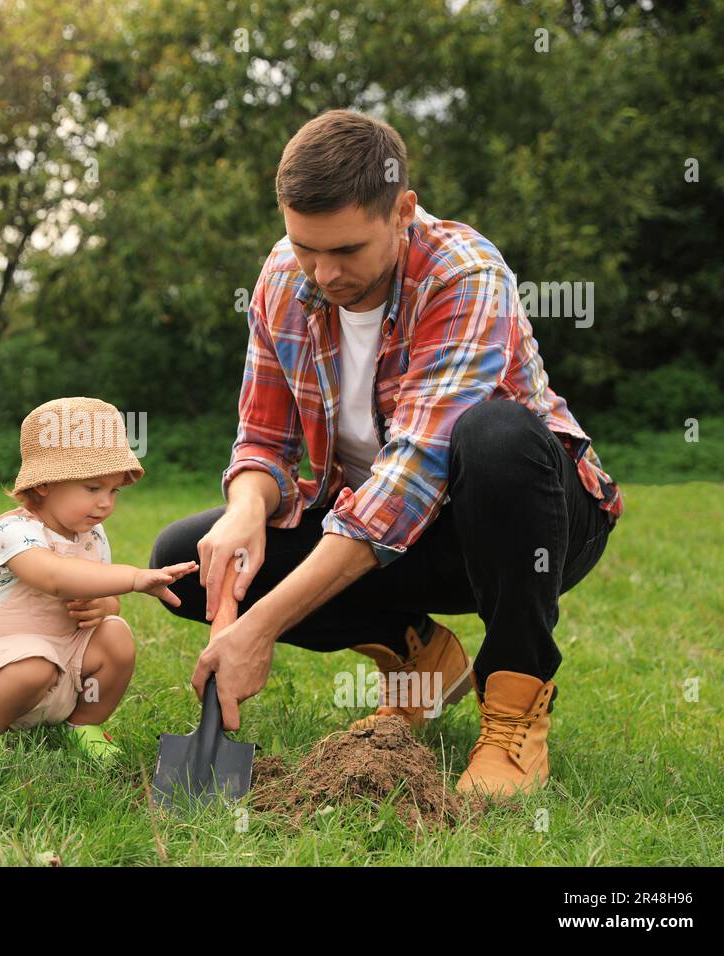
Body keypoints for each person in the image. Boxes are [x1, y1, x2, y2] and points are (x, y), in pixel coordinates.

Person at [150, 109, 623, 798]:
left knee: (497, 436)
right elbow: (265, 440)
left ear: (402, 211)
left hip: (522, 524)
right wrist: (246, 509)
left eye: (346, 250)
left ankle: (515, 708)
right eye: (306, 246)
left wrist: (261, 626)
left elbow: (412, 481)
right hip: (390, 543)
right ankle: (420, 659)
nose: (323, 272)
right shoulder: (286, 279)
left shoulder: (463, 275)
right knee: (186, 558)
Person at [0, 397, 198, 759]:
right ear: (45, 484)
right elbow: (55, 577)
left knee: (115, 634)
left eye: (113, 491)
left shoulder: (91, 536)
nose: (106, 503)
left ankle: (85, 722)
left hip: (66, 666)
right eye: (93, 489)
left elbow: (108, 599)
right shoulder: (14, 530)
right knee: (34, 663)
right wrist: (135, 577)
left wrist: (102, 604)